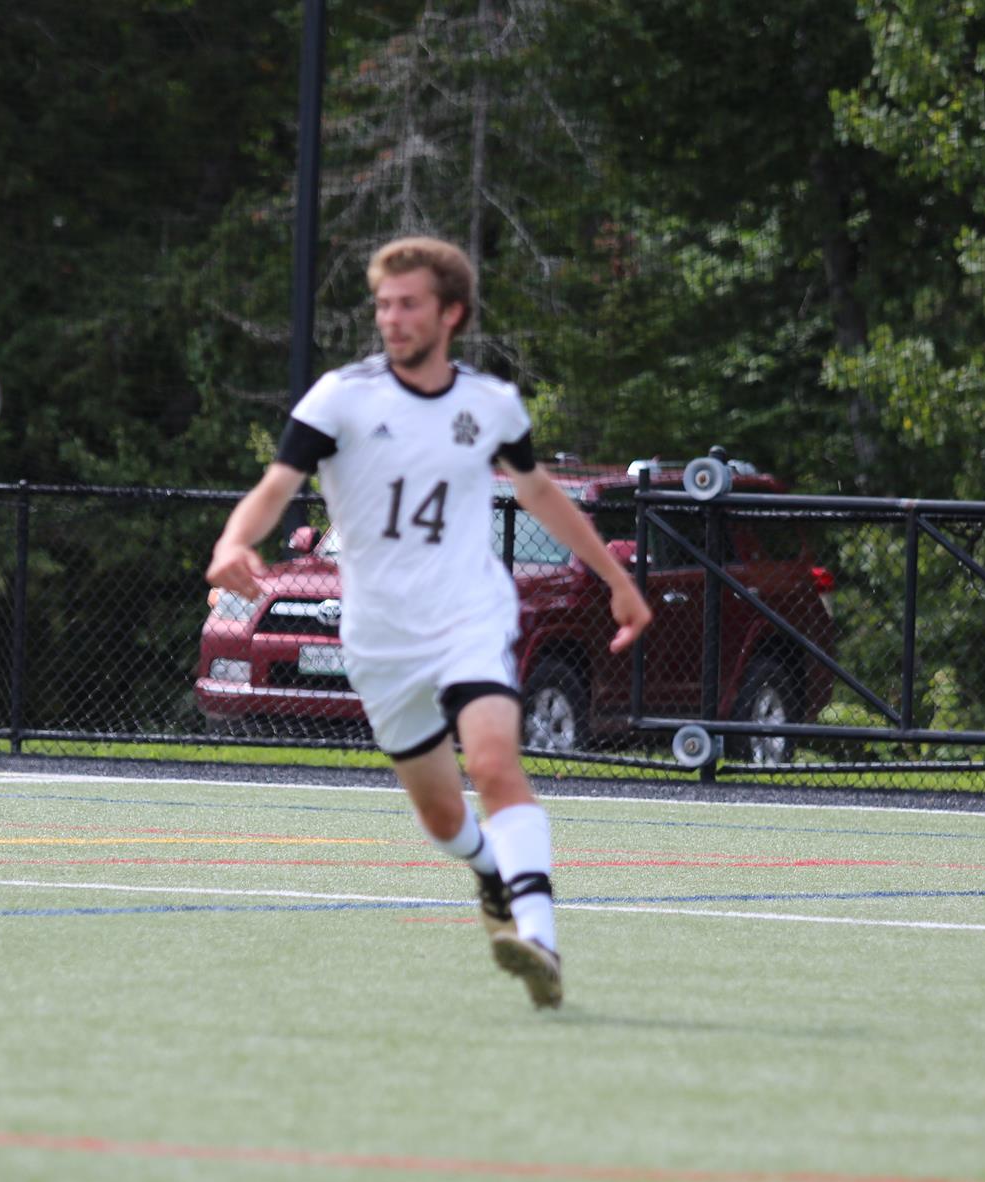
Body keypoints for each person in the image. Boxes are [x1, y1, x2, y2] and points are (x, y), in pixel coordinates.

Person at [206, 236, 653, 1008]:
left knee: (493, 762)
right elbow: (278, 483)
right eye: (383, 303)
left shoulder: (489, 405)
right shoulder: (339, 399)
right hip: (380, 637)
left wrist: (616, 578)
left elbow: (542, 493)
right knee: (443, 814)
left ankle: (539, 934)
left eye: (409, 302)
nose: (392, 317)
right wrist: (233, 538)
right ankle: (488, 871)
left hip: (468, 614)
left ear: (452, 313)